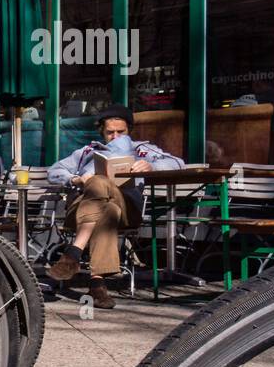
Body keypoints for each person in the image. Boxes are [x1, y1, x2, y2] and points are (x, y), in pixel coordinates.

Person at [46, 105, 183, 308]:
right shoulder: (87, 151)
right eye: (110, 132)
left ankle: (73, 253)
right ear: (102, 132)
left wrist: (151, 166)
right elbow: (54, 171)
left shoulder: (142, 150)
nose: (115, 136)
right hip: (84, 210)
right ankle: (97, 285)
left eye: (121, 132)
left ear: (129, 131)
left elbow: (178, 163)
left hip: (127, 209)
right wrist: (75, 179)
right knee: (106, 206)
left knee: (101, 186)